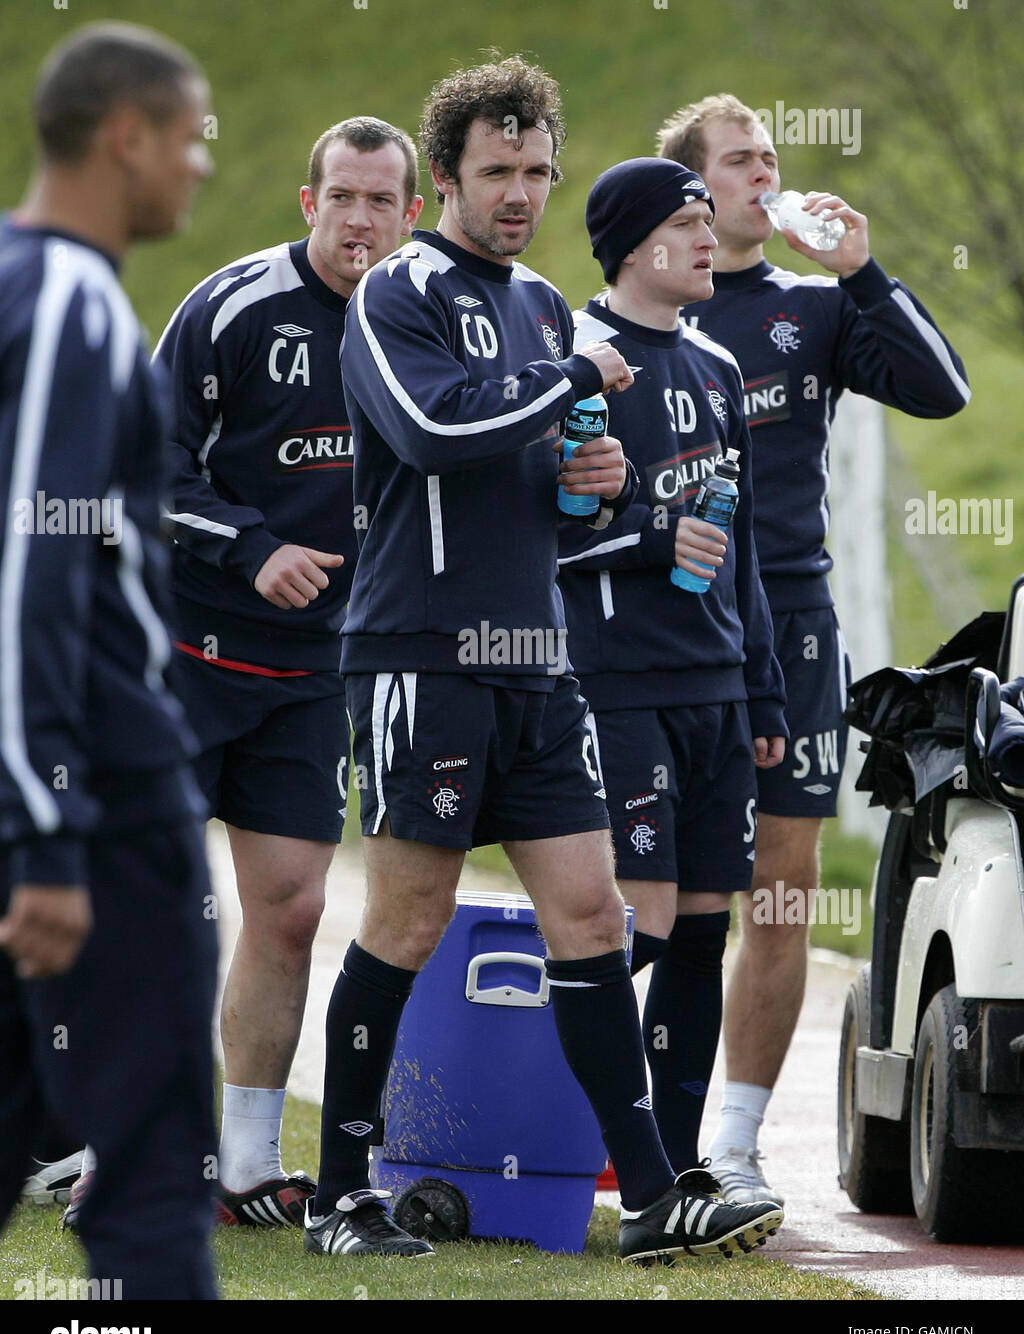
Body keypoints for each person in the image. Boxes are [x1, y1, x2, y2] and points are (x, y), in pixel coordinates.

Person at [306, 56, 785, 1264]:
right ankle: (339, 1195)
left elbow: (545, 478)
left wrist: (591, 487)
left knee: (590, 910)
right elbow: (430, 429)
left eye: (535, 172)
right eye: (494, 172)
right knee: (405, 922)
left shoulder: (538, 303)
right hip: (423, 650)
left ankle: (656, 1194)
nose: (518, 194)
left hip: (539, 659)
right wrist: (569, 380)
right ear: (446, 182)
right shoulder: (399, 288)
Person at [656, 93, 970, 1204]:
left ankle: (734, 1149)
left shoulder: (812, 307)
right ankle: (637, 1136)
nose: (763, 172)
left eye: (769, 157)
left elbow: (942, 388)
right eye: (739, 159)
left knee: (778, 893)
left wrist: (863, 271)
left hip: (789, 625)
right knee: (648, 895)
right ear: (692, 188)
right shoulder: (646, 312)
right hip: (661, 625)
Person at [153, 118, 422, 1226]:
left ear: (412, 213)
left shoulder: (428, 325)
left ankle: (247, 1164)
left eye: (381, 201)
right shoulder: (232, 309)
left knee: (292, 907)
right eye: (342, 197)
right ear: (307, 203)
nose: (360, 220)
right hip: (175, 654)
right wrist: (249, 547)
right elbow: (138, 468)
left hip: (316, 675)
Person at [0, 22, 218, 1298]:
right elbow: (34, 559)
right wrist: (47, 826)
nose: (198, 168)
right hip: (95, 791)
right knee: (150, 1188)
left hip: (46, 784)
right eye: (188, 139)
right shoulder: (73, 295)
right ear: (123, 134)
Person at [556, 158, 787, 1177]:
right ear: (633, 244)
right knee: (632, 921)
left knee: (701, 929)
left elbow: (741, 552)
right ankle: (504, 1100)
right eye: (687, 222)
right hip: (616, 683)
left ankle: (679, 1164)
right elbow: (541, 536)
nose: (708, 239)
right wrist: (653, 535)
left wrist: (764, 684)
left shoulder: (717, 367)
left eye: (707, 220)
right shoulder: (572, 353)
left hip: (715, 690)